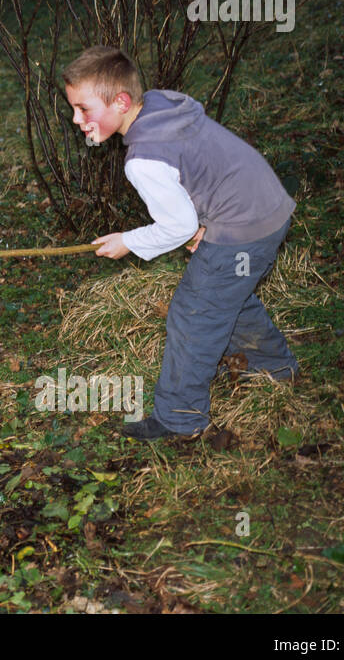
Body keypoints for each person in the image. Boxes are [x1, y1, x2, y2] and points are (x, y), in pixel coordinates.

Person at [61, 46, 298, 440]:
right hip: (265, 206)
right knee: (226, 295)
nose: (76, 119)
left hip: (243, 227)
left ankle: (178, 419)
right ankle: (272, 365)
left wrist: (129, 242)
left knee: (194, 313)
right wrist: (202, 225)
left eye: (83, 109)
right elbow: (200, 168)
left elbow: (175, 223)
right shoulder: (160, 108)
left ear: (121, 102)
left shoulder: (143, 159)